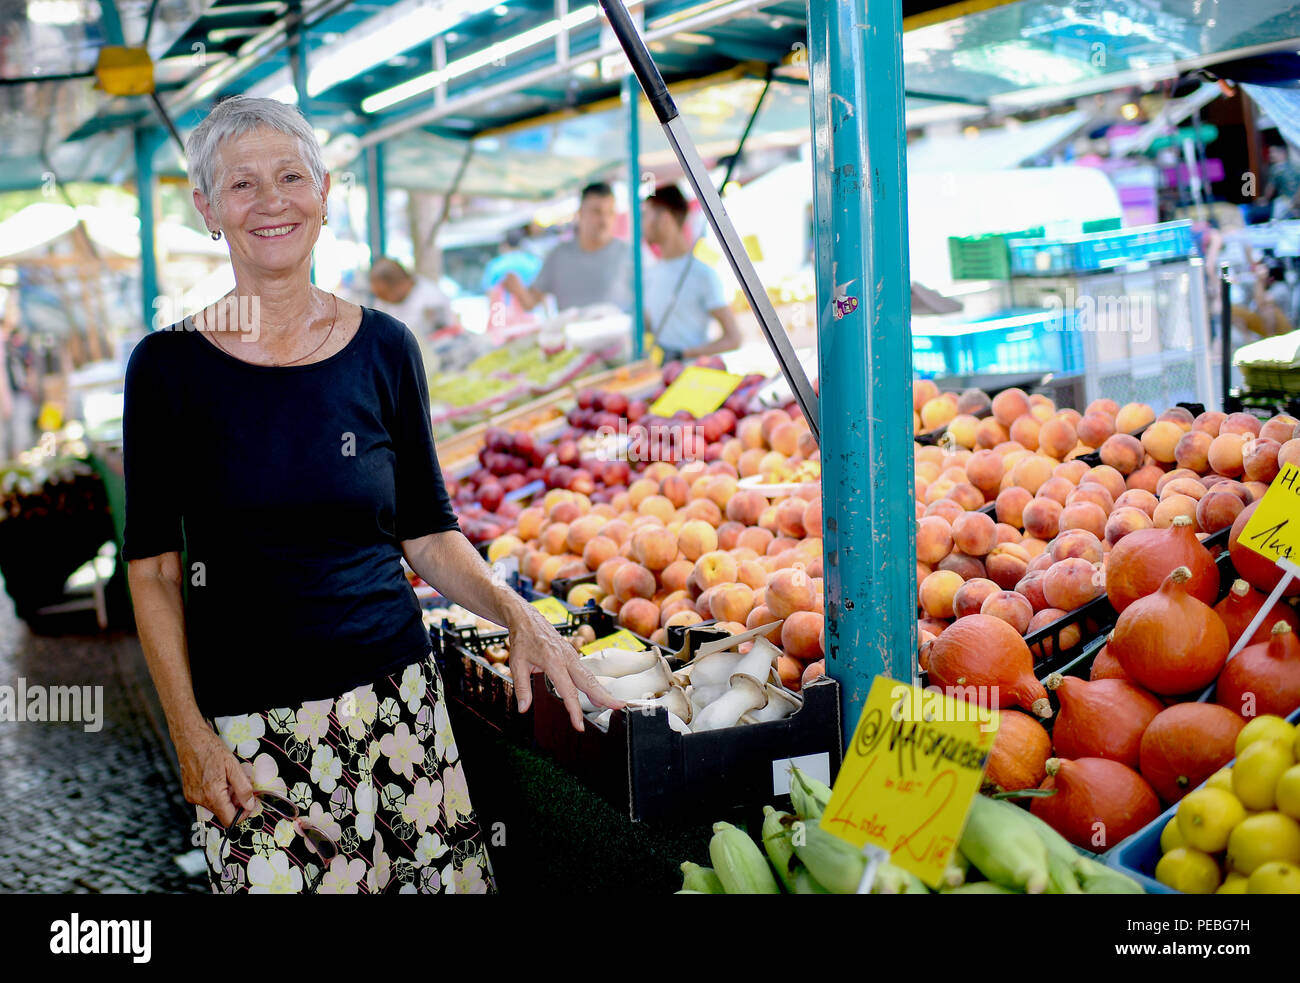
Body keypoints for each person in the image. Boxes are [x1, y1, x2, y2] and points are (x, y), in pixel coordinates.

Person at [122, 96, 619, 895]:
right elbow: (151, 572)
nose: (272, 200)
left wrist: (518, 612)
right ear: (208, 209)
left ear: (324, 194)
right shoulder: (167, 370)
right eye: (241, 185)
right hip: (251, 732)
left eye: (291, 176)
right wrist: (189, 731)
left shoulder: (386, 348)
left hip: (398, 704)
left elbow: (427, 533)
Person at [641, 185, 740, 362]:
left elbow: (733, 338)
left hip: (693, 379)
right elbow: (649, 325)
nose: (642, 224)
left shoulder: (702, 274)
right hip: (660, 379)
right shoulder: (648, 275)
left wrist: (682, 354)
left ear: (664, 219)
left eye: (646, 215)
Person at [501, 182, 631, 313]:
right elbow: (530, 302)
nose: (604, 220)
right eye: (596, 212)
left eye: (610, 212)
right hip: (569, 331)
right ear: (580, 213)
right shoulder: (558, 256)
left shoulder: (629, 254)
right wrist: (516, 287)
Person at [369, 257, 454, 336]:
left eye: (384, 295)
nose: (382, 299)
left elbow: (444, 341)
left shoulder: (432, 300)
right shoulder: (382, 301)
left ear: (400, 284)